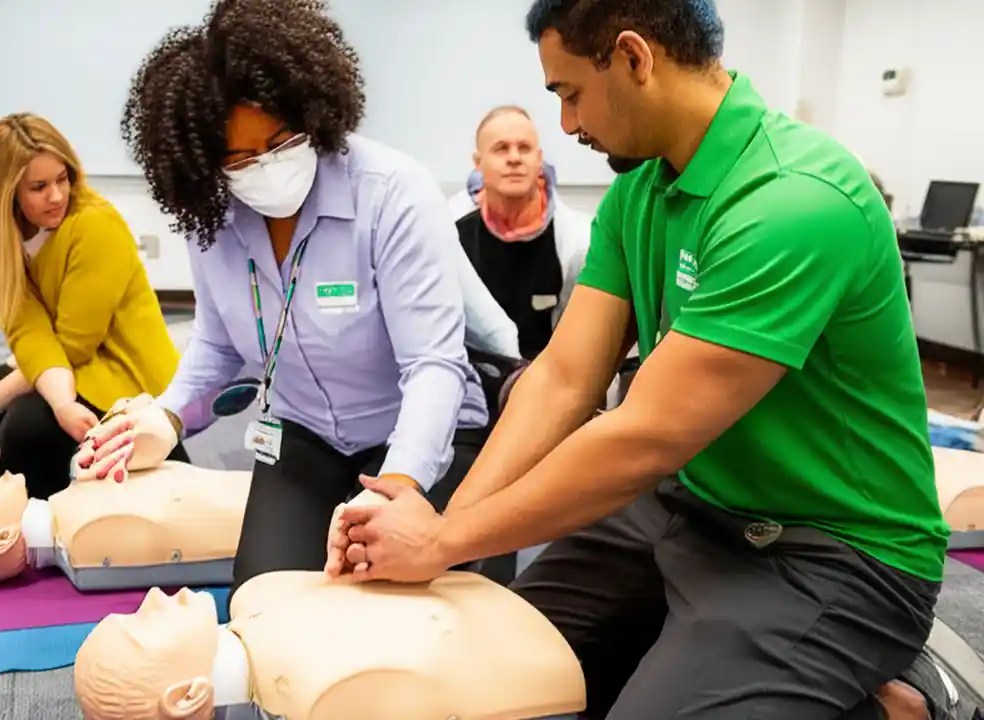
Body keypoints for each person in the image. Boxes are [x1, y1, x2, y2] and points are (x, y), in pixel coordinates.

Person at [327, 1, 970, 719]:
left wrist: (443, 538)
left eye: (569, 93)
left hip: (834, 550)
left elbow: (643, 436)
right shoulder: (639, 188)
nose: (566, 127)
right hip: (692, 506)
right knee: (500, 674)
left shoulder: (794, 200)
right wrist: (441, 533)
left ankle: (895, 709)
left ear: (634, 58)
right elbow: (565, 378)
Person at [97, 0, 490, 597]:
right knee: (263, 598)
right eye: (240, 159)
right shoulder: (213, 217)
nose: (266, 168)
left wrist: (400, 486)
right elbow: (217, 339)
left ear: (314, 112)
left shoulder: (390, 192)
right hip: (301, 435)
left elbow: (433, 366)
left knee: (392, 603)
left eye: (281, 141)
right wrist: (166, 414)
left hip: (418, 437)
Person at [0, 113, 185, 500]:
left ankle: (45, 512)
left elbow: (75, 343)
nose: (57, 195)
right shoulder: (3, 240)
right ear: (8, 193)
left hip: (120, 371)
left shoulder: (95, 225)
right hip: (66, 361)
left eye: (62, 178)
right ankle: (16, 491)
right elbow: (30, 334)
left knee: (22, 424)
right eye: (39, 186)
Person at [451, 105, 592, 361]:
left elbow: (586, 347)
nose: (514, 158)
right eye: (501, 148)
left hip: (550, 382)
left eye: (524, 148)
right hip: (470, 383)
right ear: (478, 163)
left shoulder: (579, 242)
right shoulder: (448, 232)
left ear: (539, 159)